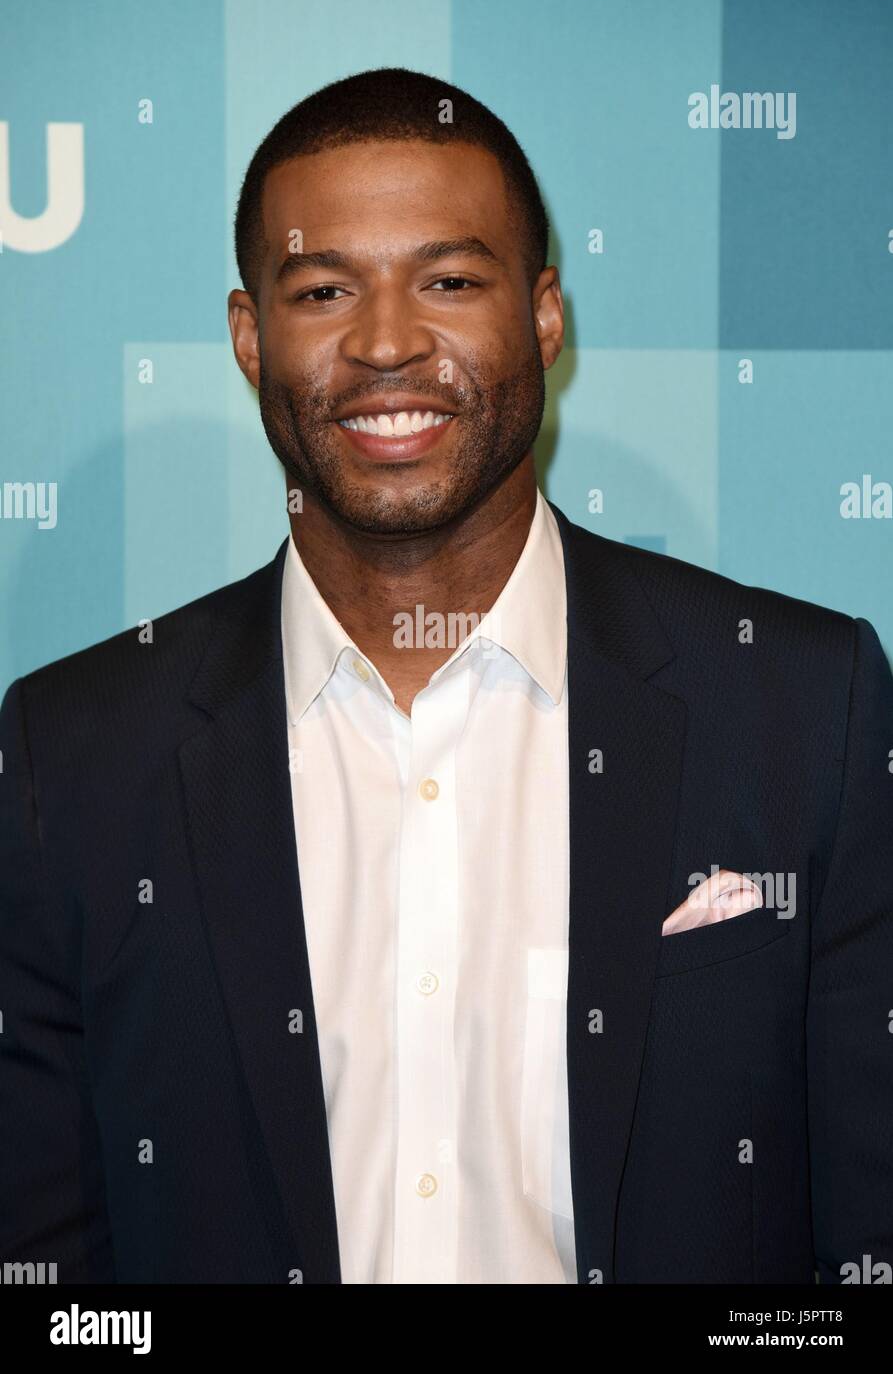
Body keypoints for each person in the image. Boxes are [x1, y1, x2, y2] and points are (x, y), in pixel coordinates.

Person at [1, 67, 891, 1285]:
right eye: (322, 289)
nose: (383, 342)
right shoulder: (74, 751)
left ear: (542, 317)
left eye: (448, 281)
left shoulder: (804, 708)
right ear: (248, 336)